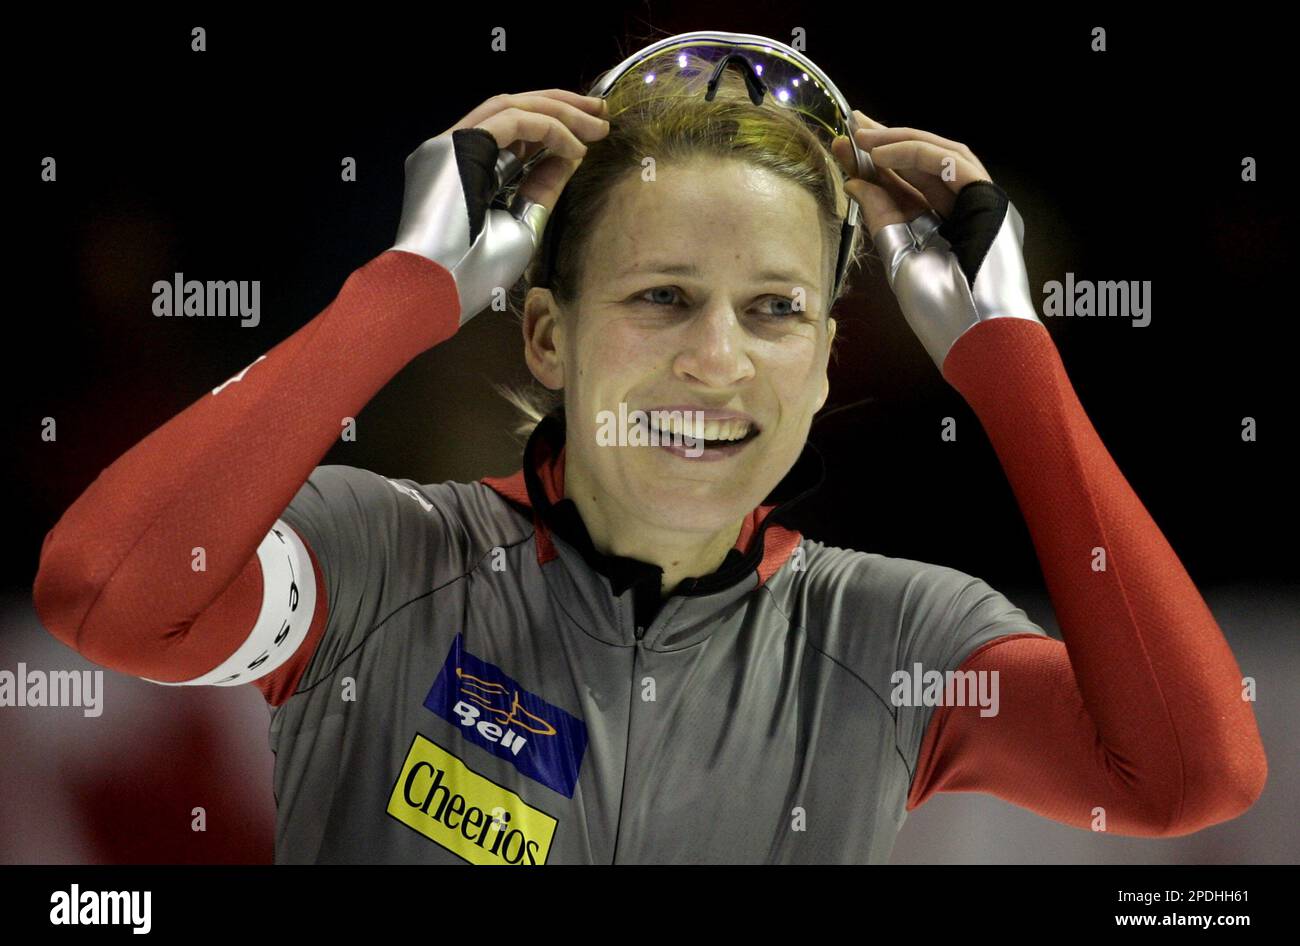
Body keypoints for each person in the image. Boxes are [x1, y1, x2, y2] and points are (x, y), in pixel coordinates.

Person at [33, 36, 1266, 864]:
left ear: (829, 360)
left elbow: (1187, 776)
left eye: (775, 309)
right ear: (547, 335)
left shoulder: (887, 640)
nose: (717, 359)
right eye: (663, 297)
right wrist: (402, 290)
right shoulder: (383, 560)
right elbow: (107, 593)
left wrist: (1009, 359)